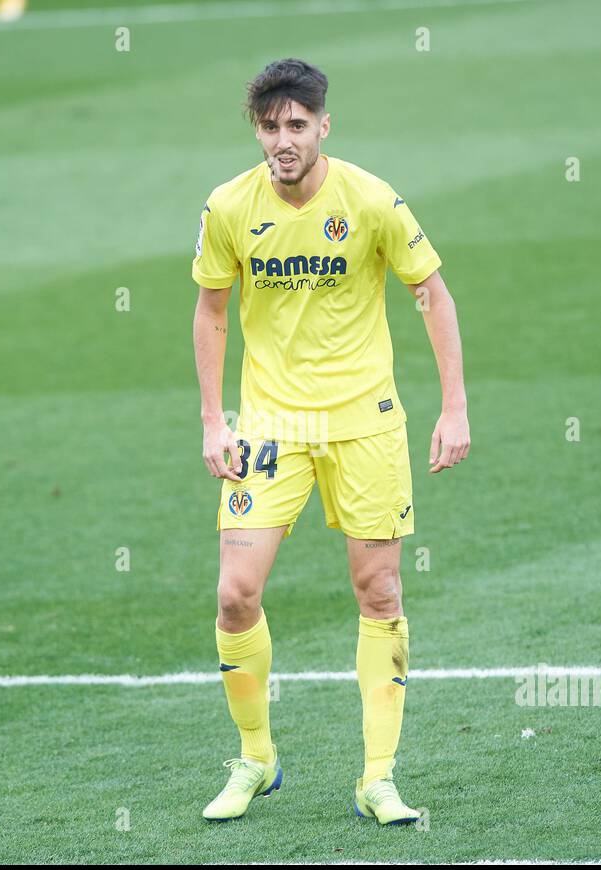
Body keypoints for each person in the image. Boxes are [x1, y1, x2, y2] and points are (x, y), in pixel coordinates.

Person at [191, 58, 470, 824]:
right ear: (258, 129)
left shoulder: (372, 199)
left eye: (296, 125)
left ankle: (377, 776)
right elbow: (212, 312)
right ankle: (256, 757)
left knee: (379, 592)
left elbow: (431, 294)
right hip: (271, 426)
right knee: (234, 593)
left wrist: (454, 407)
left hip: (365, 422)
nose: (283, 140)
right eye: (269, 126)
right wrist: (216, 420)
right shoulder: (227, 207)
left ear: (323, 126)